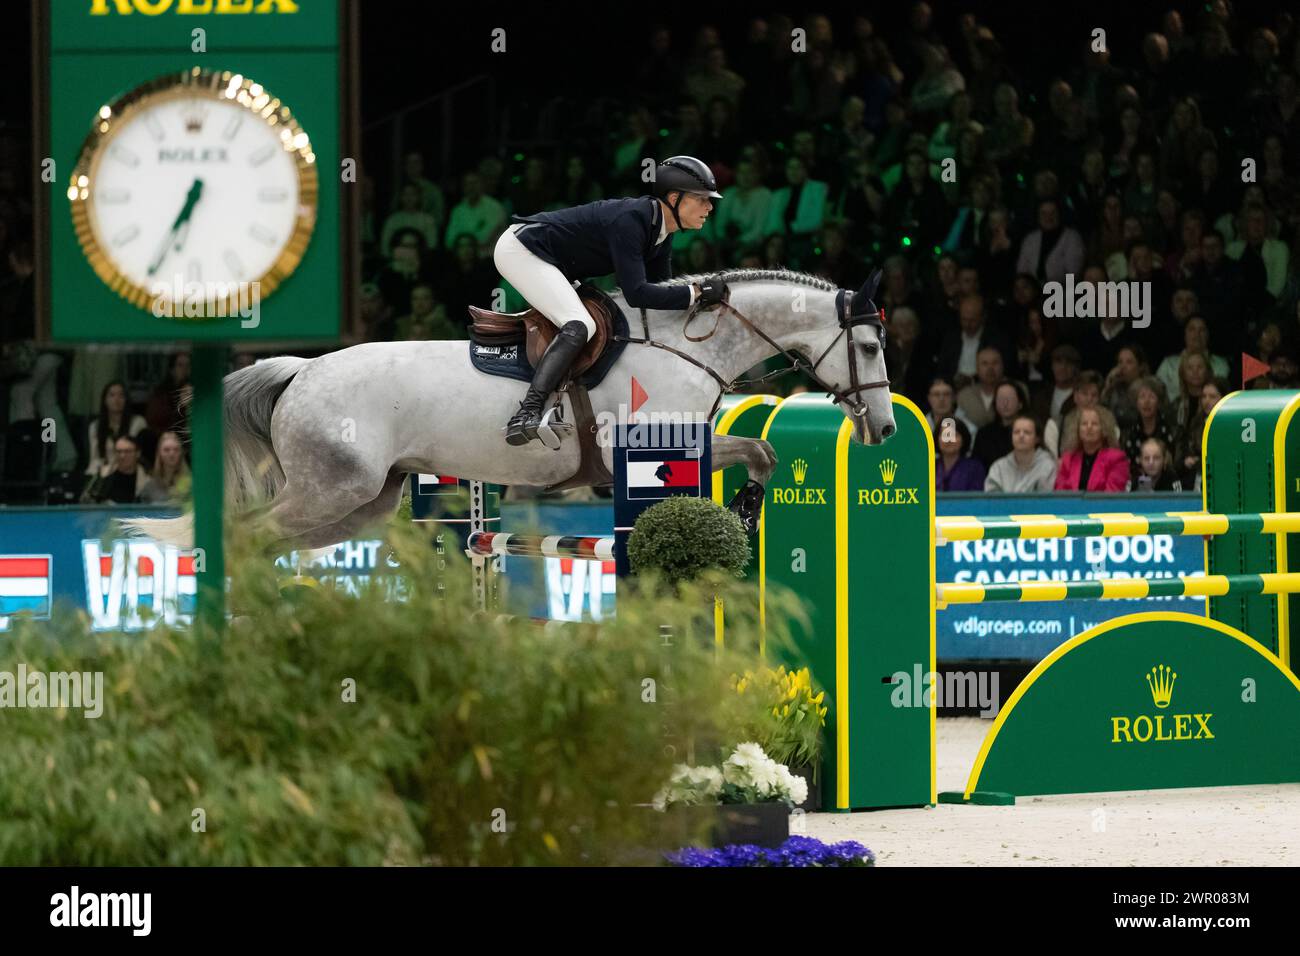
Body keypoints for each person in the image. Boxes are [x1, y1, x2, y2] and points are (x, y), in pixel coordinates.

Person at [493, 156, 724, 445]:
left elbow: (659, 293)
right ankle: (526, 414)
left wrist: (696, 298)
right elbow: (637, 293)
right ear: (675, 198)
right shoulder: (632, 220)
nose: (710, 207)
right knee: (579, 324)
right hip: (523, 250)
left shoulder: (661, 233)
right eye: (702, 199)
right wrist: (696, 292)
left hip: (556, 262)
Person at [1054, 406, 1130, 491]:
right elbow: (1060, 494)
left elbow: (1111, 496)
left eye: (1094, 424)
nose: (1089, 427)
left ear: (1104, 429)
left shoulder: (1116, 459)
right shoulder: (1068, 460)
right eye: (1084, 423)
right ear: (1077, 429)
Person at [86, 380, 148, 477]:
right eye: (112, 395)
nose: (117, 399)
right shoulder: (95, 426)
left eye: (121, 395)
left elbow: (142, 458)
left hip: (131, 474)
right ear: (105, 400)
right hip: (105, 474)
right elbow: (95, 459)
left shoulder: (138, 423)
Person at [985, 414, 1056, 492]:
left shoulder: (1047, 466)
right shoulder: (998, 468)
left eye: (1027, 432)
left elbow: (1046, 500)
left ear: (1037, 438)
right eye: (1016, 432)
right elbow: (991, 500)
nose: (1021, 435)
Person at [81, 435, 157, 504]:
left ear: (138, 453)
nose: (122, 456)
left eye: (127, 451)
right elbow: (84, 502)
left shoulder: (147, 478)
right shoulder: (103, 474)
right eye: (118, 451)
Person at [935, 417, 986, 491]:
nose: (949, 440)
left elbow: (976, 499)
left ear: (963, 439)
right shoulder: (927, 468)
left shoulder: (975, 469)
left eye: (954, 435)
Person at [141, 430, 191, 503]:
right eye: (166, 450)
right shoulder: (149, 487)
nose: (171, 454)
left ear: (181, 453)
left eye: (176, 450)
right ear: (160, 453)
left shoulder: (191, 484)